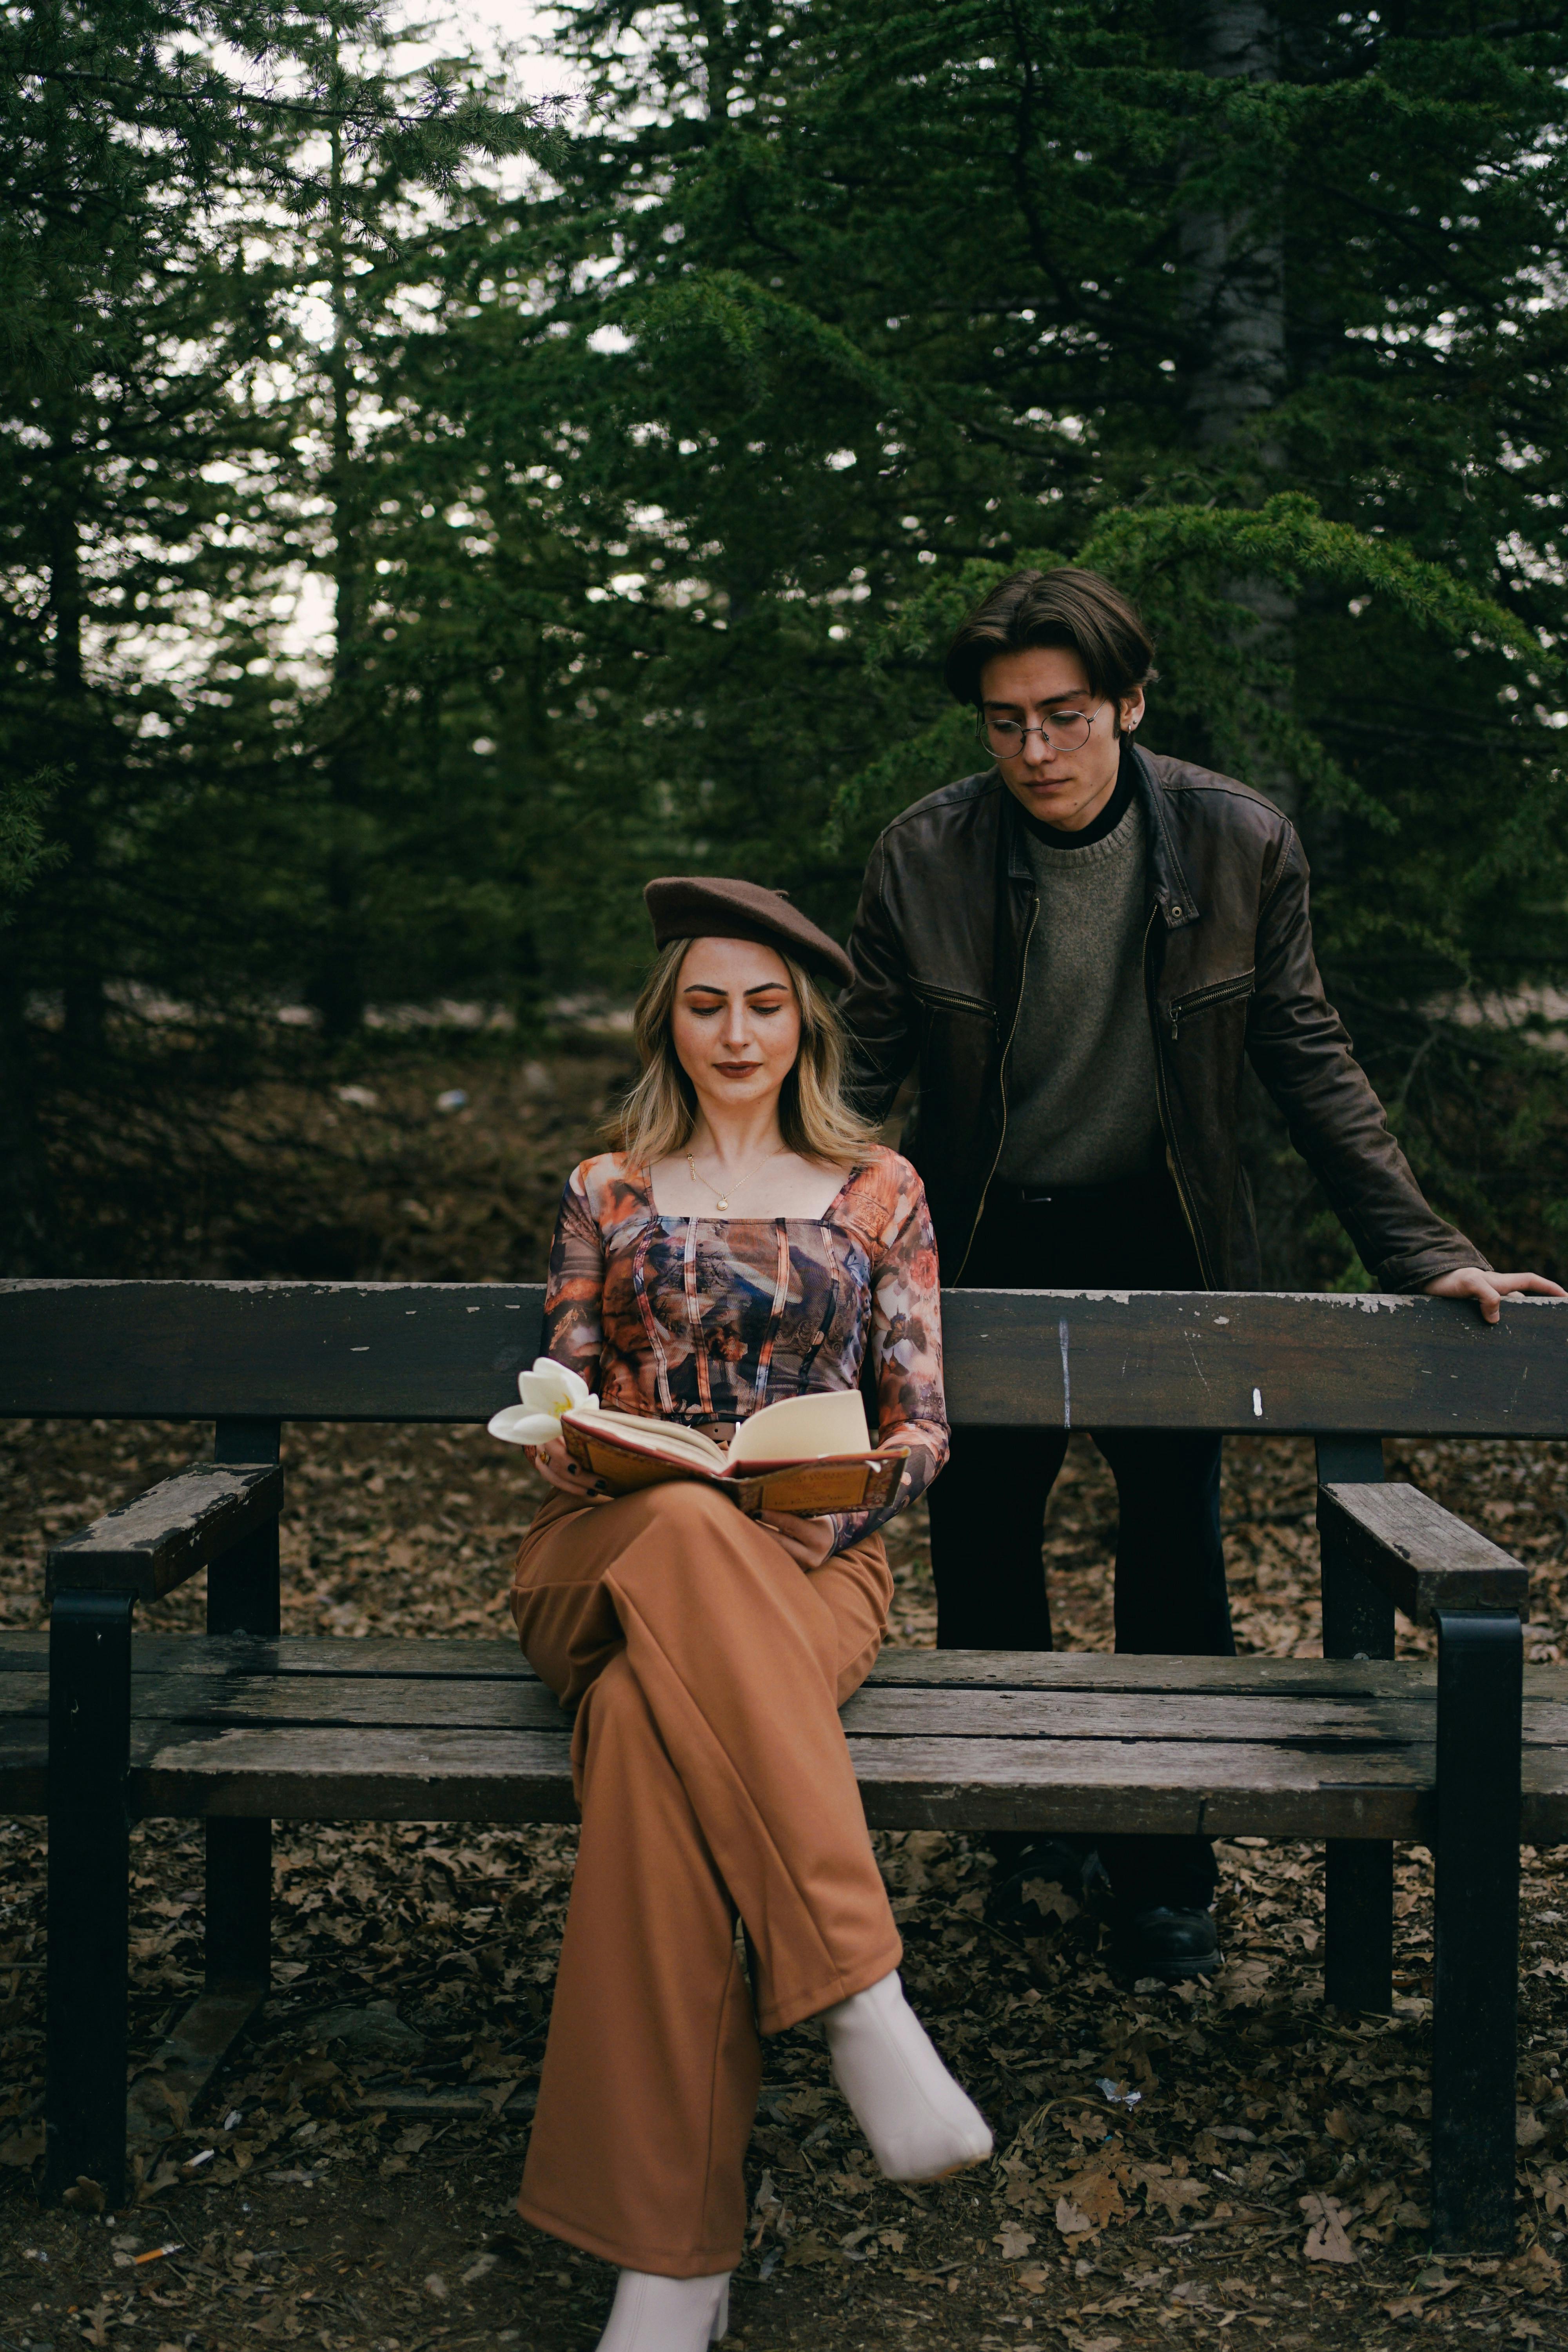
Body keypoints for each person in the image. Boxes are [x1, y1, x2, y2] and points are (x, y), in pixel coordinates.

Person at [839, 564, 1566, 1982]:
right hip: (978, 1237)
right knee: (985, 1543)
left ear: (1130, 700)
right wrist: (784, 1243)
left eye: (1063, 717)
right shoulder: (924, 854)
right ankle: (1027, 1834)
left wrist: (1427, 1249)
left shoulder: (1238, 840)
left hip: (1162, 1230)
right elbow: (859, 1076)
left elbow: (1305, 1053)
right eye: (1003, 725)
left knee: (1173, 1545)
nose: (1035, 752)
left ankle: (1170, 1863)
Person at [506, 875, 990, 2352]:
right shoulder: (607, 1189)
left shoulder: (879, 1190)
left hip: (807, 1568)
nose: (736, 1032)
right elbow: (565, 1388)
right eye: (707, 1004)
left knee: (662, 1745)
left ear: (804, 1024)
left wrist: (801, 1509)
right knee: (673, 1531)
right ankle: (858, 1998)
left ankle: (671, 2271)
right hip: (604, 1552)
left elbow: (919, 1430)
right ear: (671, 1019)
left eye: (765, 1005)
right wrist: (572, 1439)